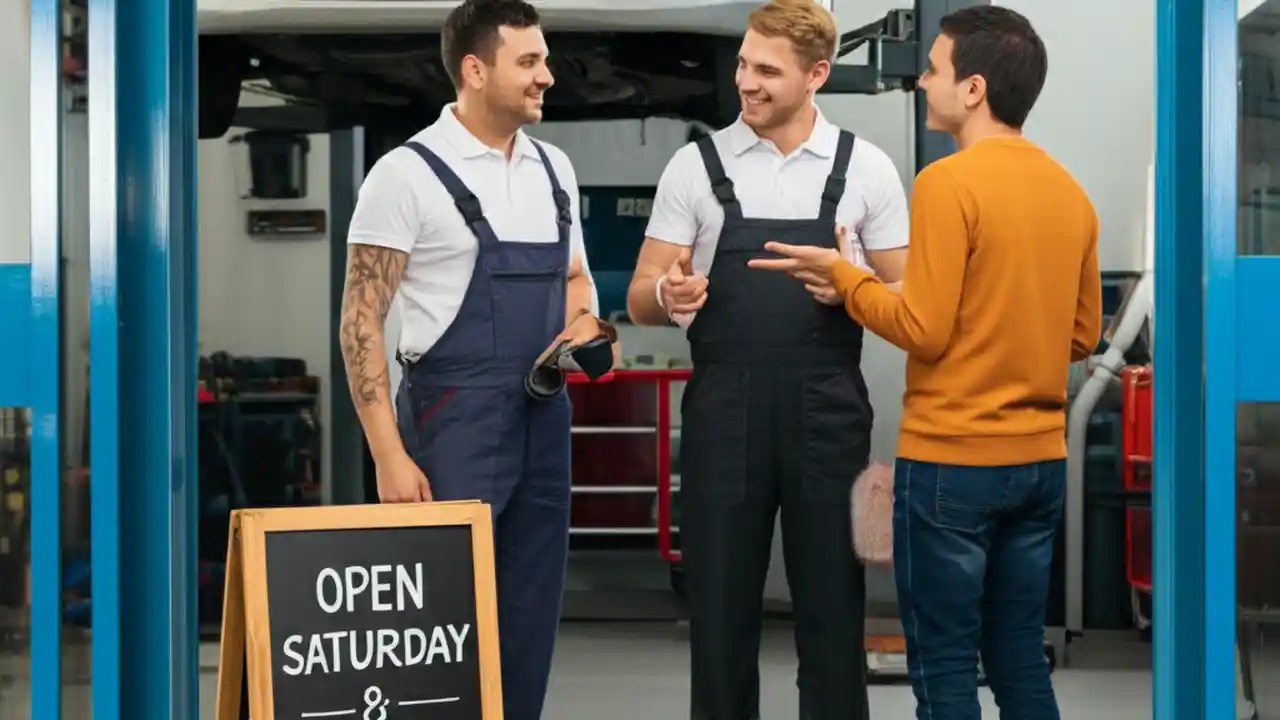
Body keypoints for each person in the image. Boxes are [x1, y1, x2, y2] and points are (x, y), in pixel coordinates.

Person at [750, 7, 1102, 720]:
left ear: (973, 89)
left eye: (933, 70)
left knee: (944, 666)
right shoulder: (1070, 192)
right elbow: (1081, 335)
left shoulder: (948, 183)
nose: (920, 82)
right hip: (1039, 465)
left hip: (952, 468)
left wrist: (848, 281)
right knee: (1017, 656)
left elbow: (923, 329)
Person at [626, 1, 909, 717]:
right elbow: (640, 296)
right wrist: (668, 292)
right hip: (725, 411)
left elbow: (912, 302)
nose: (746, 82)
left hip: (829, 412)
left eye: (768, 71)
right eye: (743, 64)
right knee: (719, 611)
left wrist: (853, 285)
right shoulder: (696, 167)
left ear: (817, 75)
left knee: (833, 610)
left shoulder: (865, 169)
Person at [336, 1, 613, 717]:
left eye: (545, 60)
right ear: (475, 69)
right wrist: (388, 457)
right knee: (439, 625)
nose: (547, 76)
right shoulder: (406, 175)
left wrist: (583, 324)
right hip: (450, 422)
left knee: (527, 621)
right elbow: (360, 320)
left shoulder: (554, 168)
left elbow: (575, 277)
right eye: (529, 62)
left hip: (543, 416)